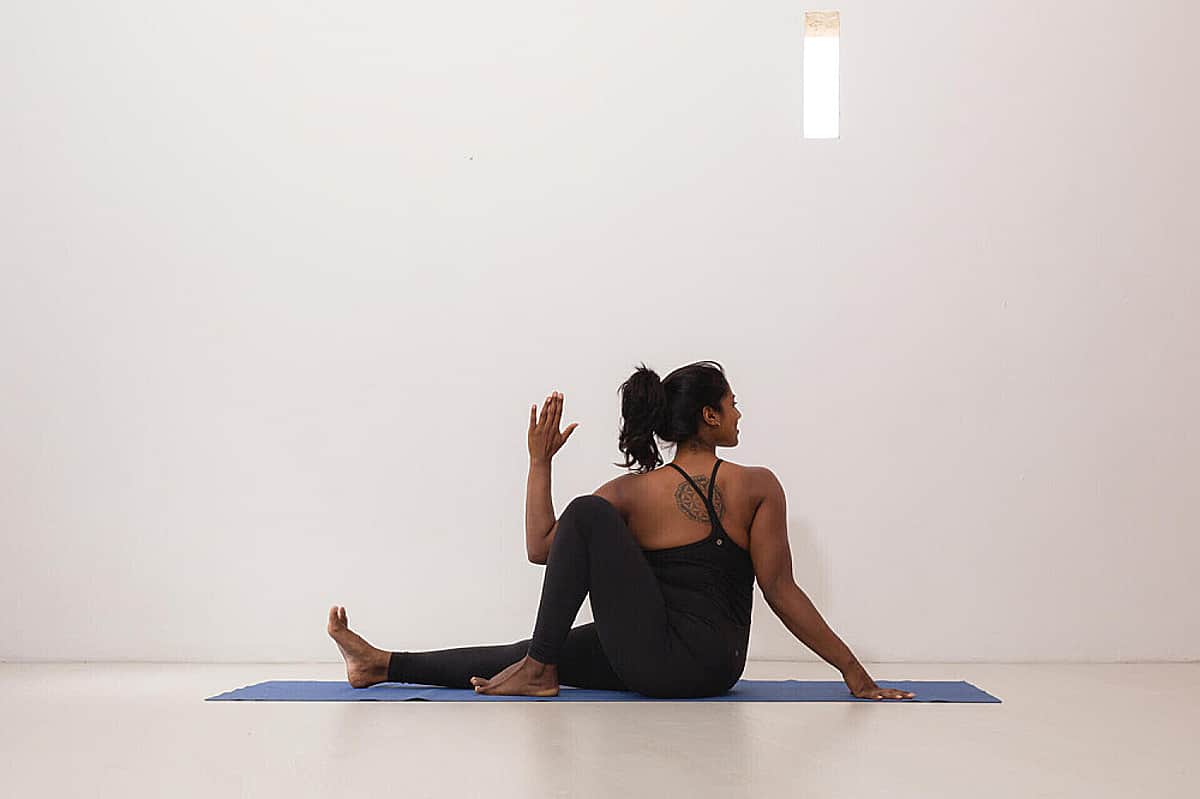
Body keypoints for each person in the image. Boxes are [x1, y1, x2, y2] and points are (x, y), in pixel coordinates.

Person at [327, 360, 914, 700]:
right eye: (733, 404)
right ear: (709, 416)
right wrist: (854, 675)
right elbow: (780, 590)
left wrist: (539, 465)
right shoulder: (757, 484)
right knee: (524, 652)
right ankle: (379, 664)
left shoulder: (632, 494)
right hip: (710, 665)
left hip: (666, 662)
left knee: (582, 523)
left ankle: (539, 668)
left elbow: (541, 548)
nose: (739, 414)